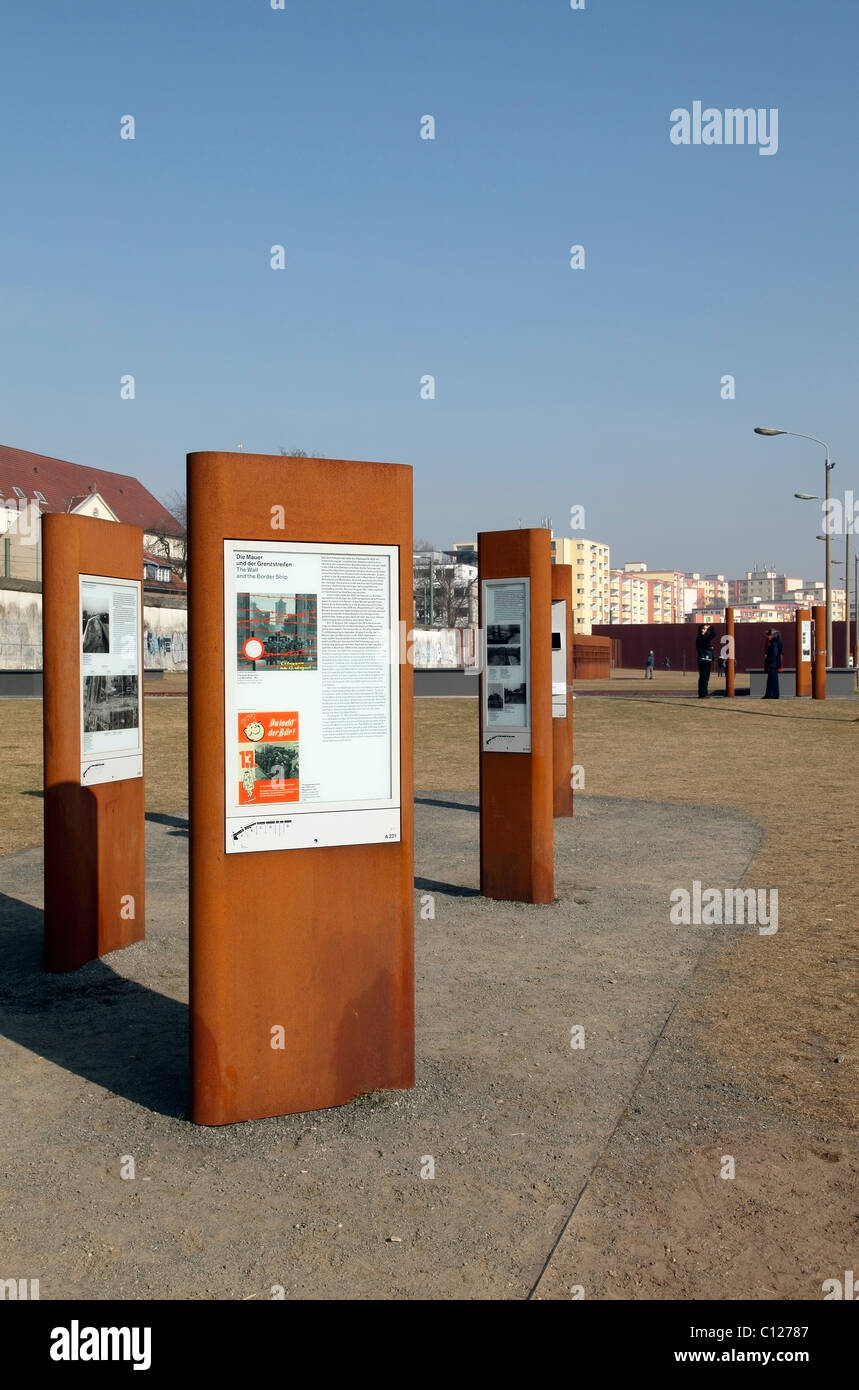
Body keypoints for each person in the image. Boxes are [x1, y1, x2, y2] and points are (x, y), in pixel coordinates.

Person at [695, 624, 715, 698]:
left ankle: (703, 693)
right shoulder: (702, 637)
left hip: (703, 659)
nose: (707, 630)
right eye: (705, 628)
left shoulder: (700, 638)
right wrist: (711, 627)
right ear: (702, 630)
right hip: (705, 660)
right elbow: (713, 635)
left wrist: (709, 647)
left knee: (703, 677)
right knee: (704, 678)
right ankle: (703, 694)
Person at [763, 627, 783, 699]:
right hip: (775, 663)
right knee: (772, 679)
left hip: (773, 663)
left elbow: (773, 653)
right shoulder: (778, 641)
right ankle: (769, 694)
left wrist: (769, 661)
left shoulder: (773, 642)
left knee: (773, 679)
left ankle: (774, 694)